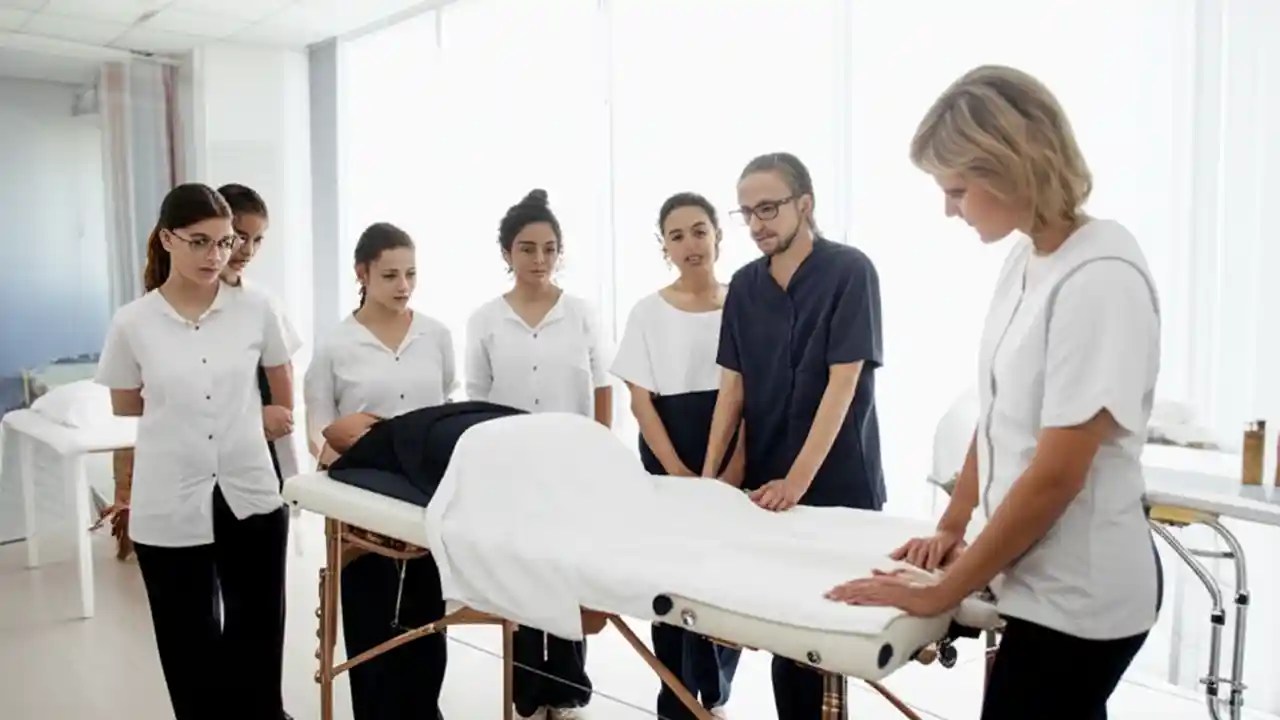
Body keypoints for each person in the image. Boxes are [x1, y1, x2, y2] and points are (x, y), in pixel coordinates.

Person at [824, 65, 1164, 720]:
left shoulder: (1100, 278)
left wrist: (945, 589)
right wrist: (952, 525)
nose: (948, 209)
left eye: (956, 189)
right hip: (1039, 579)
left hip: (1082, 597)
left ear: (1010, 167)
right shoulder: (1028, 256)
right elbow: (998, 409)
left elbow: (1057, 475)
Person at [94, 183, 294, 720]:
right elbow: (126, 403)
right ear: (167, 239)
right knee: (188, 647)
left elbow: (279, 373)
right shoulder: (133, 321)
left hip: (249, 492)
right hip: (170, 499)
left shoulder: (255, 308)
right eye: (200, 242)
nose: (216, 255)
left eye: (225, 243)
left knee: (257, 639)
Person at [701, 152, 884, 718]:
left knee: (826, 642)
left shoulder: (850, 271)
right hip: (767, 489)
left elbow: (843, 383)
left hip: (838, 483)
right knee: (788, 642)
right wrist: (707, 483)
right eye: (748, 212)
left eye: (770, 208)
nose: (757, 224)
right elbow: (731, 392)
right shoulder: (745, 288)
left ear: (805, 205)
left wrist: (797, 482)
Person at [465, 188, 612, 720]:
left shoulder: (581, 314)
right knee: (521, 575)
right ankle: (527, 693)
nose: (540, 259)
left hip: (572, 464)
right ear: (507, 253)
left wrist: (601, 449)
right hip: (510, 465)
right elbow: (476, 398)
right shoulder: (485, 320)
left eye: (550, 248)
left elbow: (601, 386)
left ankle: (569, 690)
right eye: (528, 248)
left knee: (569, 573)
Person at [303, 222, 456, 720]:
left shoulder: (436, 335)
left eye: (411, 273)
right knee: (370, 618)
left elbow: (446, 406)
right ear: (362, 273)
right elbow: (319, 427)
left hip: (425, 495)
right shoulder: (336, 345)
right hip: (364, 498)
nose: (403, 285)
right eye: (390, 274)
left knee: (426, 617)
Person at [610, 192, 743, 719]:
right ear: (663, 246)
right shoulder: (648, 311)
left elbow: (747, 394)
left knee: (725, 578)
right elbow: (640, 402)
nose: (690, 243)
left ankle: (716, 695)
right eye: (677, 235)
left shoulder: (743, 302)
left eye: (699, 230)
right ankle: (677, 699)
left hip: (733, 446)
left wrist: (728, 472)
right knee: (668, 578)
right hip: (668, 446)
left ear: (717, 235)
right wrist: (677, 472)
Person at [217, 183, 303, 485]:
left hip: (262, 451)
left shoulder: (262, 302)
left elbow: (283, 375)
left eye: (258, 240)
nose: (248, 250)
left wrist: (277, 418)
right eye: (240, 237)